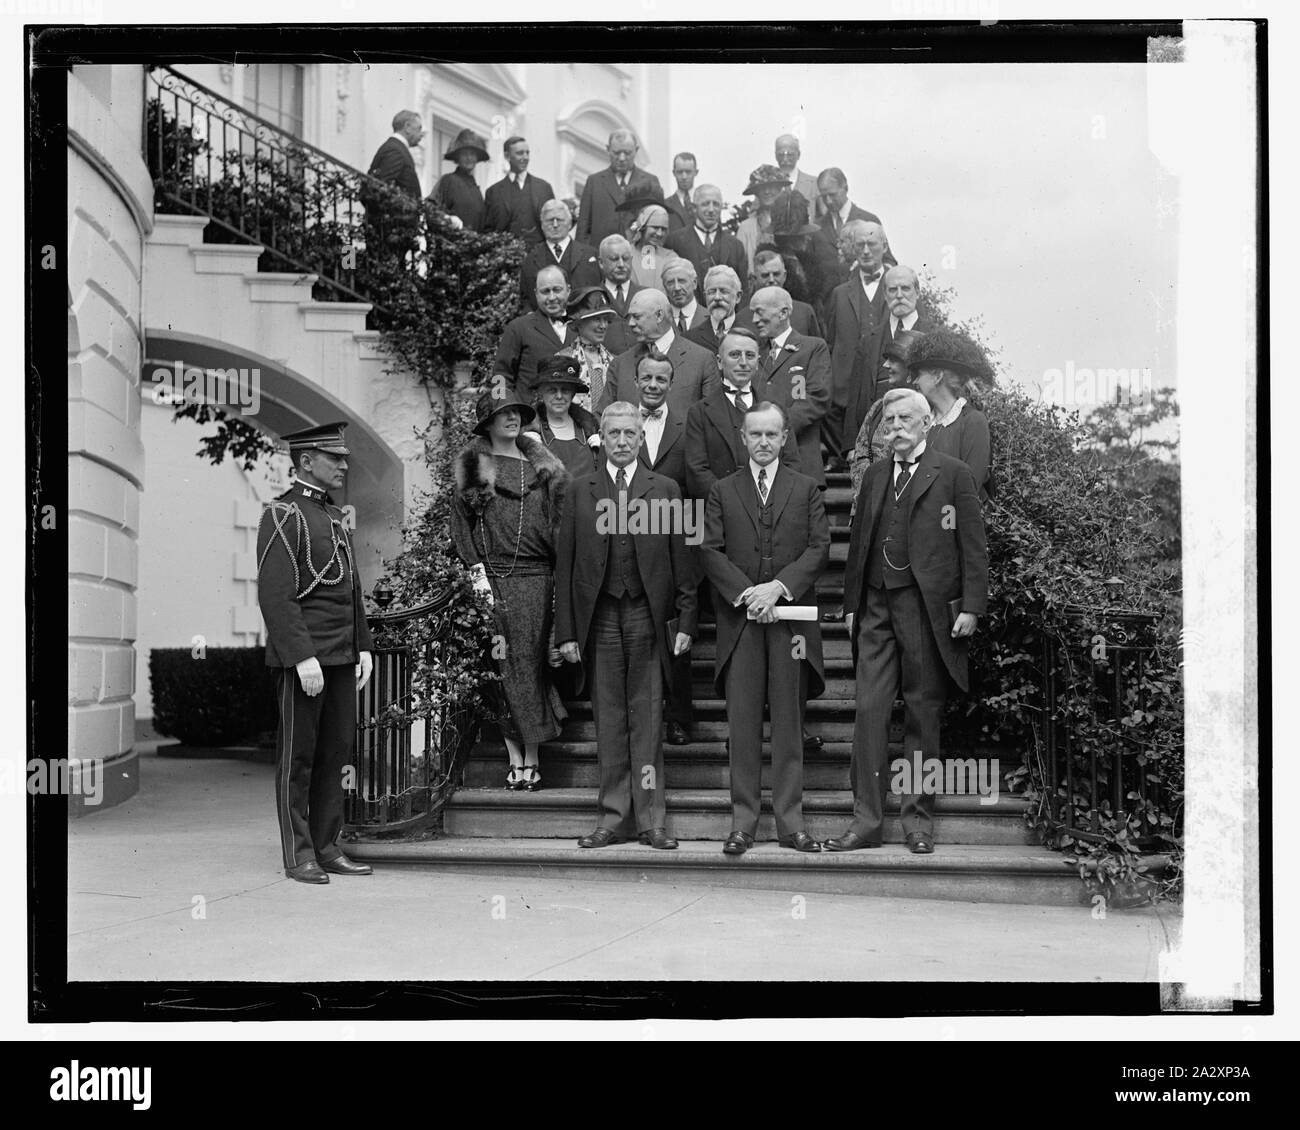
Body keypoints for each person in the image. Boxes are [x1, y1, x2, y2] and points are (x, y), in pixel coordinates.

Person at [830, 388, 988, 855]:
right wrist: (852, 604)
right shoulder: (876, 475)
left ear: (924, 425)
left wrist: (972, 607)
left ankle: (918, 821)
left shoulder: (952, 474)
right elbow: (859, 543)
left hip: (926, 608)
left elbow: (973, 546)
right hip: (876, 606)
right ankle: (866, 821)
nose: (894, 427)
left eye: (904, 419)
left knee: (922, 714)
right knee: (870, 711)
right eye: (888, 421)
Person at [555, 402, 697, 850]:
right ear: (602, 436)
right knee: (610, 719)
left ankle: (652, 820)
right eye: (613, 433)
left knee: (648, 717)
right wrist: (567, 632)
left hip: (647, 614)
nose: (620, 441)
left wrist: (686, 620)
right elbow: (566, 565)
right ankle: (613, 817)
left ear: (641, 438)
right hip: (599, 616)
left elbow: (685, 561)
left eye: (629, 434)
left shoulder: (667, 489)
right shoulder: (580, 490)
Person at [699, 401, 830, 855]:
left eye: (771, 435)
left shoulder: (806, 488)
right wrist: (748, 595)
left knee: (790, 727)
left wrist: (777, 588)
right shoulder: (722, 490)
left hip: (789, 628)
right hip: (742, 626)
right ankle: (744, 823)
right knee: (744, 725)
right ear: (742, 437)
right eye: (755, 434)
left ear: (785, 438)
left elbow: (819, 549)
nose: (763, 443)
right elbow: (710, 551)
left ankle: (791, 823)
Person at [256, 422, 375, 885]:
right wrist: (301, 656)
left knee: (335, 756)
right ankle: (299, 853)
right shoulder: (283, 514)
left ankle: (328, 846)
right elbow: (276, 595)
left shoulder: (331, 516)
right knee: (299, 758)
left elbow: (351, 589)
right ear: (306, 461)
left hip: (342, 658)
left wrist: (363, 646)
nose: (344, 464)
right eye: (334, 457)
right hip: (306, 660)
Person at [452, 392, 570, 792]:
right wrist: (476, 574)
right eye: (503, 414)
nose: (512, 420)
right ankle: (513, 756)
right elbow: (461, 525)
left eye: (517, 414)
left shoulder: (545, 468)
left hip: (538, 578)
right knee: (502, 666)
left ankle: (533, 756)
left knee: (532, 665)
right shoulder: (474, 465)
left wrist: (561, 573)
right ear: (486, 422)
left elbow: (558, 526)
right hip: (495, 578)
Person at [632, 351, 695, 745]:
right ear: (637, 381)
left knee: (677, 622)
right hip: (627, 529)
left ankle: (679, 717)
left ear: (671, 384)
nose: (654, 385)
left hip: (674, 531)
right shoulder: (620, 424)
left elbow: (695, 484)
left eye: (661, 379)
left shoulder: (687, 426)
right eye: (647, 378)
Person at [684, 327, 800, 502]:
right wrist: (731, 503)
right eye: (735, 354)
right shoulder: (699, 412)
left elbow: (792, 463)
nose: (743, 362)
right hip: (720, 512)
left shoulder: (777, 410)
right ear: (719, 362)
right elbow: (697, 471)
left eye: (750, 356)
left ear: (757, 362)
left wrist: (767, 501)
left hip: (770, 511)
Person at [843, 265, 937, 457]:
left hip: (921, 437)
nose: (899, 295)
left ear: (917, 292)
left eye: (906, 288)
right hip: (875, 438)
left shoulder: (935, 336)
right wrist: (851, 445)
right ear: (885, 295)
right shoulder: (869, 339)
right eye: (893, 290)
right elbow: (855, 393)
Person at [749, 285, 832, 485]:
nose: (754, 320)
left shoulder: (813, 347)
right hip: (757, 464)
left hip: (802, 462)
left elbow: (817, 397)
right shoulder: (753, 353)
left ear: (783, 312)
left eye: (759, 312)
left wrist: (773, 429)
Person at [825, 220, 892, 468]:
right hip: (846, 383)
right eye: (860, 244)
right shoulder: (840, 293)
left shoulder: (898, 288)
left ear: (884, 246)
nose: (865, 250)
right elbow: (832, 341)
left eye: (871, 244)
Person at [597, 288, 720, 416]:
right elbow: (602, 416)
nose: (630, 323)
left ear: (659, 316)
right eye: (629, 317)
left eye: (637, 317)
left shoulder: (702, 360)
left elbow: (713, 418)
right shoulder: (620, 364)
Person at [908, 329, 995, 502]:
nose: (914, 381)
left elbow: (970, 488)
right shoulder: (922, 423)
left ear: (937, 376)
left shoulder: (972, 422)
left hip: (953, 523)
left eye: (919, 374)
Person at [847, 330, 927, 503]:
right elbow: (860, 456)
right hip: (869, 507)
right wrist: (871, 495)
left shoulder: (931, 413)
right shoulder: (878, 408)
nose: (885, 365)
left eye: (893, 360)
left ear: (912, 366)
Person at [492, 264, 575, 403]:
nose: (552, 297)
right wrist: (501, 409)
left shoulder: (580, 327)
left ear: (568, 290)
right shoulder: (518, 328)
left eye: (557, 290)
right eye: (545, 291)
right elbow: (501, 374)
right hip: (530, 417)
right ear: (536, 293)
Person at [577, 129, 665, 246]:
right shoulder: (594, 182)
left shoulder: (650, 182)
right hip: (600, 257)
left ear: (636, 150)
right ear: (608, 149)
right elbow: (583, 229)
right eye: (616, 153)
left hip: (640, 257)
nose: (622, 158)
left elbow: (660, 225)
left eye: (627, 153)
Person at [664, 185, 749, 304]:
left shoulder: (735, 245)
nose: (711, 209)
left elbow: (743, 289)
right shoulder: (675, 241)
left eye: (716, 204)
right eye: (705, 204)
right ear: (694, 208)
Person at [524, 354, 601, 478]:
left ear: (573, 393)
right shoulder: (529, 436)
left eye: (565, 390)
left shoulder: (591, 432)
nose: (559, 396)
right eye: (552, 390)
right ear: (541, 392)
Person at [361, 110, 424, 261]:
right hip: (390, 230)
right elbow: (378, 188)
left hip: (393, 230)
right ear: (407, 126)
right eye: (419, 128)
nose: (421, 134)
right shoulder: (395, 150)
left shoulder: (395, 148)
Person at [519, 199, 601, 309]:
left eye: (560, 220)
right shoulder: (530, 260)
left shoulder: (590, 255)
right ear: (542, 225)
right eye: (549, 220)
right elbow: (526, 300)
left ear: (569, 223)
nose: (555, 224)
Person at [557, 286, 620, 412]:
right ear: (578, 323)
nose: (603, 326)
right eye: (597, 319)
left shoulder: (616, 362)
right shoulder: (562, 360)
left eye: (606, 320)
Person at [484, 135, 555, 245]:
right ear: (507, 156)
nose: (525, 157)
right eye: (520, 153)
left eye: (527, 153)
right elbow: (488, 231)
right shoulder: (493, 192)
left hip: (539, 256)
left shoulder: (543, 188)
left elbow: (553, 225)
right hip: (506, 255)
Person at [753, 246, 824, 338]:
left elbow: (817, 348)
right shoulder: (743, 319)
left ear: (784, 276)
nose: (771, 279)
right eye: (765, 275)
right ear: (754, 279)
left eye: (776, 274)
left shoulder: (804, 313)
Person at [735, 164, 791, 277]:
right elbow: (740, 264)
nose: (767, 192)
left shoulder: (791, 222)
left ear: (780, 189)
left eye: (772, 186)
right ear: (756, 193)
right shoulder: (746, 227)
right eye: (762, 188)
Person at [685, 265, 754, 354]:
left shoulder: (753, 335)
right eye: (712, 292)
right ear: (705, 296)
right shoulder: (690, 339)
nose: (717, 297)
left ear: (738, 297)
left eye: (724, 291)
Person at [430, 128, 489, 232]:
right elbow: (430, 208)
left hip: (473, 245)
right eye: (464, 154)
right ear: (457, 157)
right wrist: (448, 220)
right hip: (451, 243)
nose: (469, 158)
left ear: (477, 158)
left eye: (472, 154)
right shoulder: (448, 181)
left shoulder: (477, 191)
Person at [622, 201, 681, 292]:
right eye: (655, 227)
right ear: (643, 227)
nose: (659, 233)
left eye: (663, 229)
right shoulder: (625, 255)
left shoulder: (670, 257)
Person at [597, 234, 641, 355]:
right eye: (614, 259)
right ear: (601, 262)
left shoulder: (646, 295)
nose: (621, 264)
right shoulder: (592, 299)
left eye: (626, 258)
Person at [815, 167, 883, 236]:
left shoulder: (869, 220)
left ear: (846, 188)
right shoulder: (816, 228)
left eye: (833, 195)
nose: (828, 201)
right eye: (823, 196)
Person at [774, 133, 822, 219]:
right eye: (781, 154)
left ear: (798, 154)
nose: (785, 159)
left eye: (790, 154)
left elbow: (824, 216)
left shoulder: (814, 184)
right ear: (776, 156)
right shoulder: (768, 185)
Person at [662, 259, 707, 336]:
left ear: (694, 283)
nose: (677, 288)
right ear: (665, 288)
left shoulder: (712, 319)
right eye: (670, 283)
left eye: (681, 281)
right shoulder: (659, 322)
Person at [665, 151, 698, 230]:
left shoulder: (706, 203)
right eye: (680, 172)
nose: (684, 177)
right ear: (674, 173)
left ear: (696, 172)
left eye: (688, 172)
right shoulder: (665, 205)